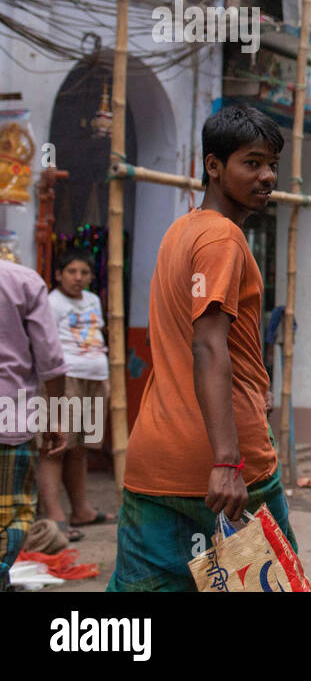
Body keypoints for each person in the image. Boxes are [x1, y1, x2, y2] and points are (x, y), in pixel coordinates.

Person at [109, 105, 295, 592]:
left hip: (155, 460)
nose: (267, 176)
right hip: (226, 466)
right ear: (214, 166)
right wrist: (227, 462)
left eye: (271, 164)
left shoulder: (180, 231)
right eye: (251, 163)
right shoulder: (223, 238)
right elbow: (208, 346)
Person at [37, 249, 114, 543]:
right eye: (72, 271)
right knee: (55, 446)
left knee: (80, 447)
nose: (78, 278)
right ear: (59, 274)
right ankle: (55, 516)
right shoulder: (51, 302)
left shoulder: (93, 300)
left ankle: (81, 510)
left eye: (84, 272)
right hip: (64, 379)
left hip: (95, 377)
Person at [0, 260, 67, 592]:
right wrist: (55, 417)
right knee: (10, 513)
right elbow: (51, 361)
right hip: (9, 419)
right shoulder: (22, 281)